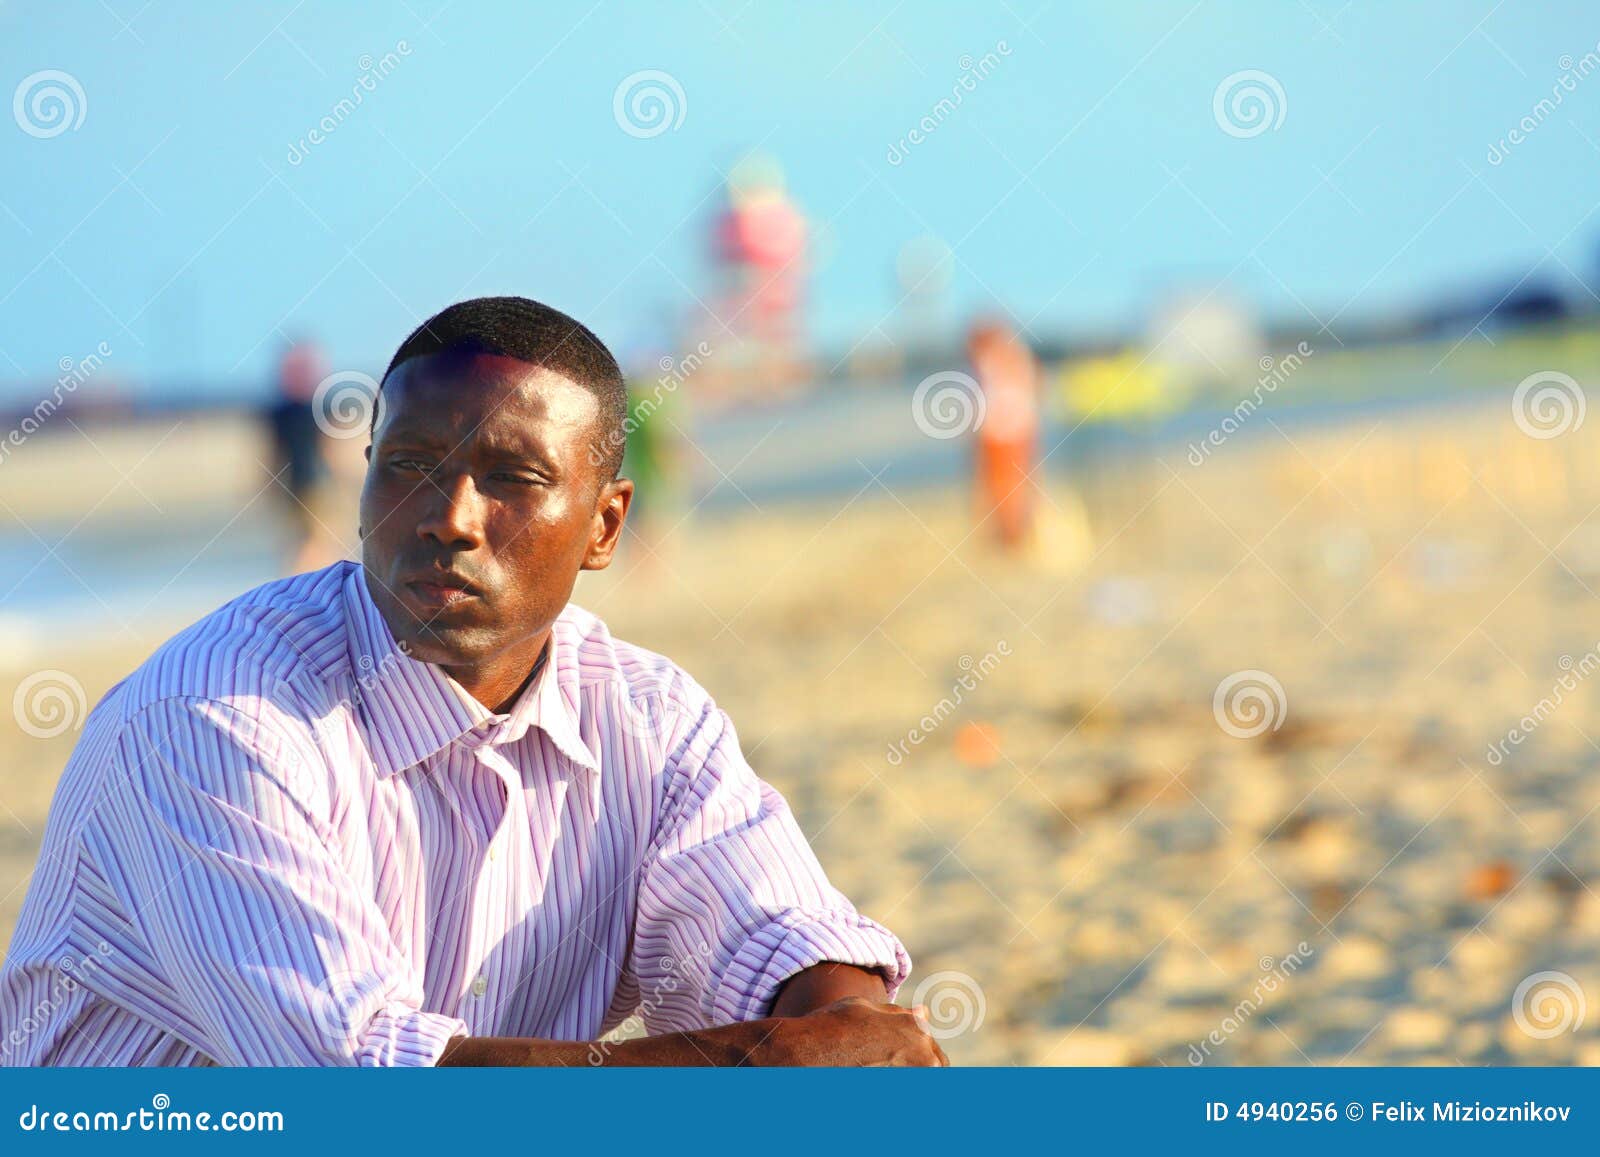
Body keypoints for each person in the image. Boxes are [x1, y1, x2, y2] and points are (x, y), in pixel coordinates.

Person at [0, 297, 943, 1067]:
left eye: (511, 477)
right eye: (409, 465)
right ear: (364, 478)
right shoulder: (215, 718)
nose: (448, 516)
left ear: (606, 526)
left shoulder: (651, 723)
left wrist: (848, 1029)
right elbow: (368, 1087)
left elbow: (778, 937)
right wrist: (766, 1062)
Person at [967, 318, 1041, 551]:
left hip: (1004, 431)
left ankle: (1013, 531)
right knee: (1010, 483)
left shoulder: (995, 358)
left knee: (1005, 484)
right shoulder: (1017, 356)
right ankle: (1012, 531)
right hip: (1014, 428)